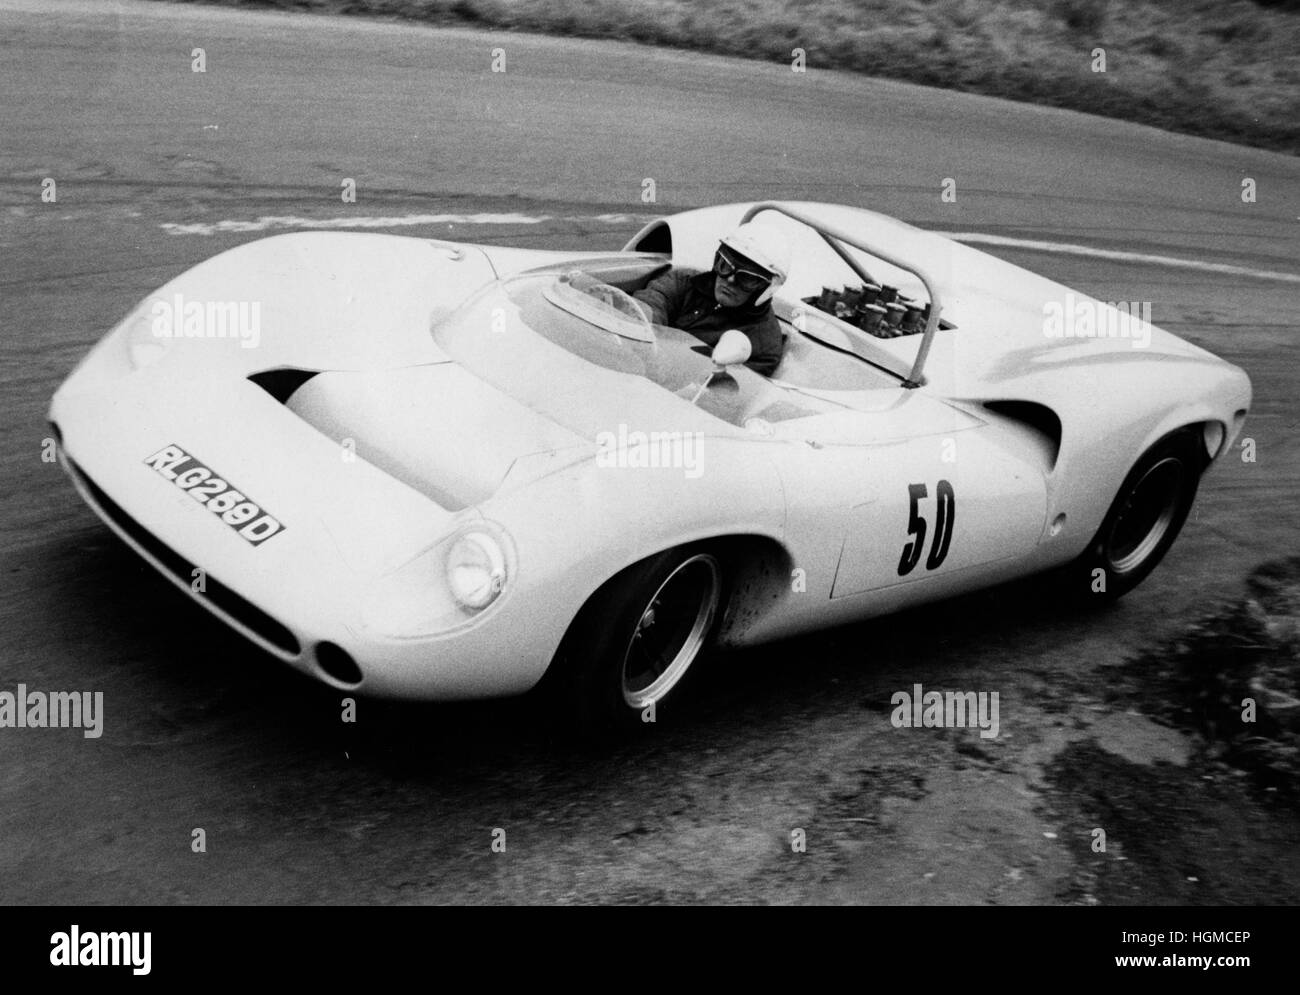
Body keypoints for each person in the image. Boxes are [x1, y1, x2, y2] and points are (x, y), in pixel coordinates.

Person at [633, 221, 792, 377]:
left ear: (765, 289)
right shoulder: (683, 281)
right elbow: (649, 303)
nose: (730, 280)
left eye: (747, 279)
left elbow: (725, 392)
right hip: (643, 369)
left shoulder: (763, 344)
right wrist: (647, 335)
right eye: (725, 265)